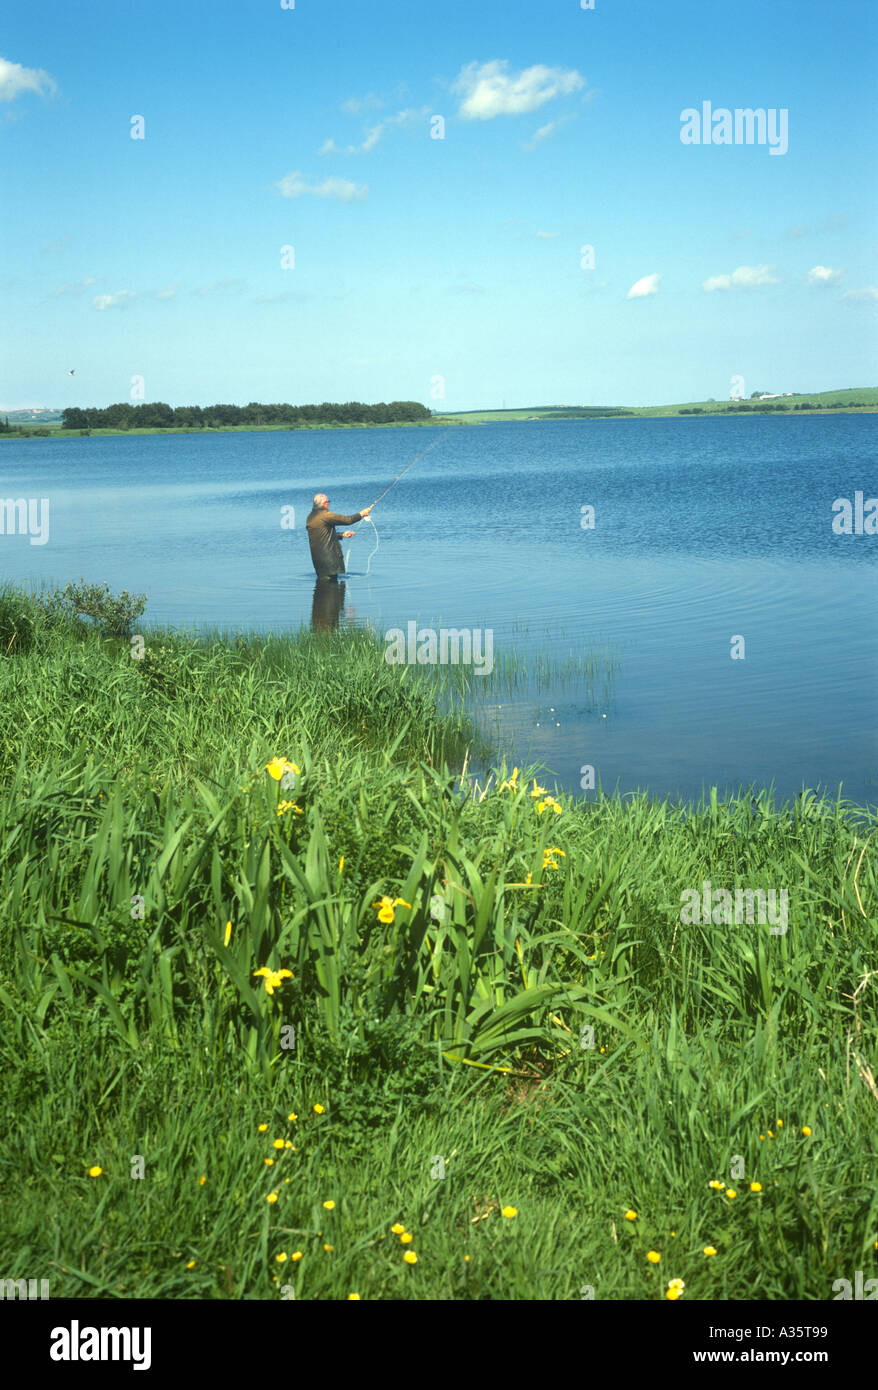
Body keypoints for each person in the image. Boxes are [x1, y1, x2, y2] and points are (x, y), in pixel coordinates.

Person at [305, 493, 373, 578]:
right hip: (330, 561)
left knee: (324, 585)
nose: (329, 504)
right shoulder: (326, 515)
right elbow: (347, 520)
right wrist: (361, 514)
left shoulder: (310, 517)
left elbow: (321, 536)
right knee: (332, 587)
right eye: (328, 502)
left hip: (318, 562)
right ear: (324, 503)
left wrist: (342, 534)